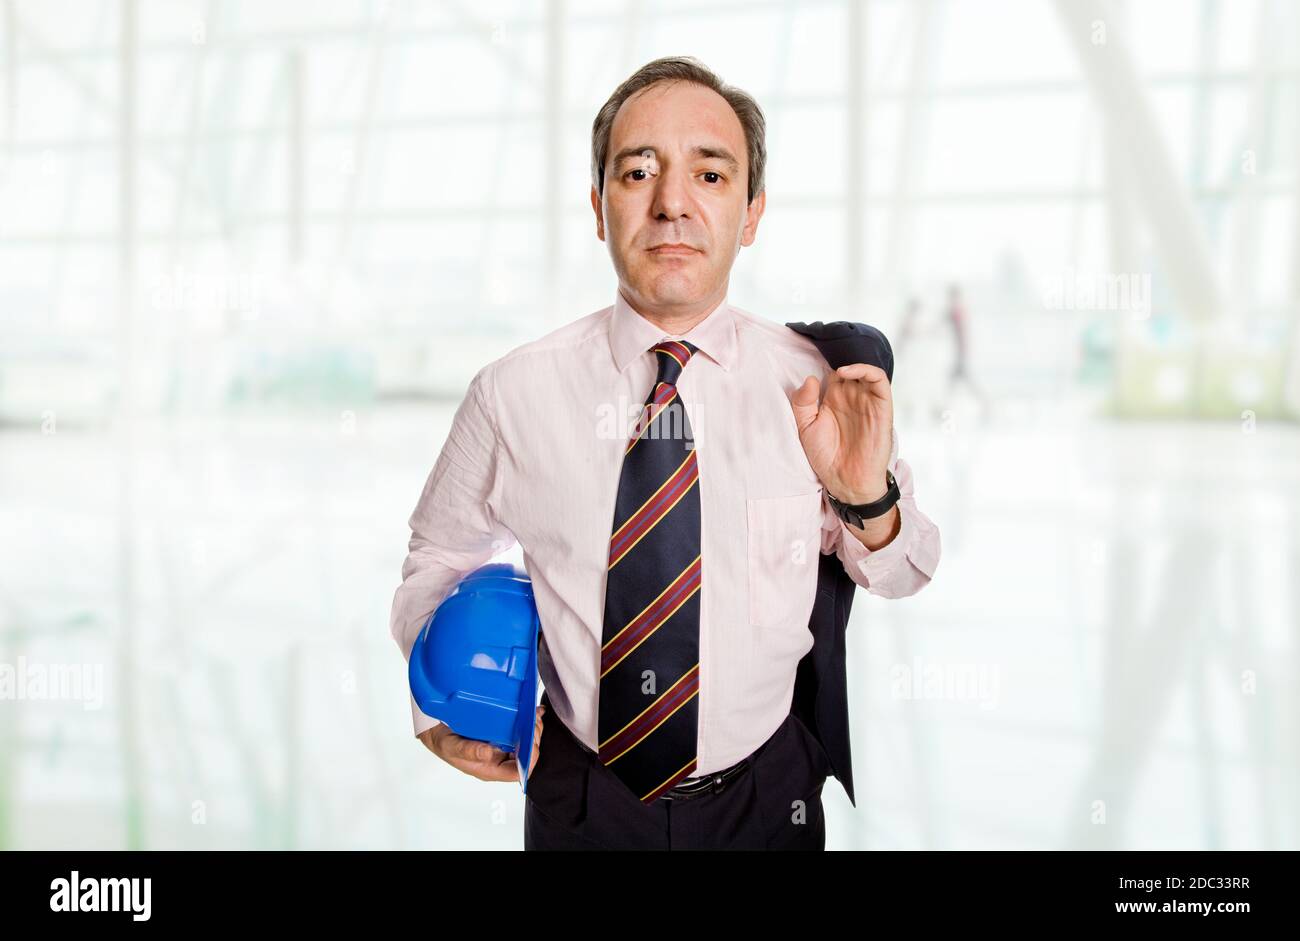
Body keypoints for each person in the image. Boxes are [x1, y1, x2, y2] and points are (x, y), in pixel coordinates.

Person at [389, 56, 941, 850]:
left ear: (751, 214)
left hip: (767, 800)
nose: (673, 203)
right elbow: (436, 556)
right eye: (638, 171)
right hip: (581, 800)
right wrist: (440, 696)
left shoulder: (815, 385)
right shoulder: (511, 395)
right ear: (598, 206)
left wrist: (866, 499)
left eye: (711, 177)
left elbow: (908, 568)